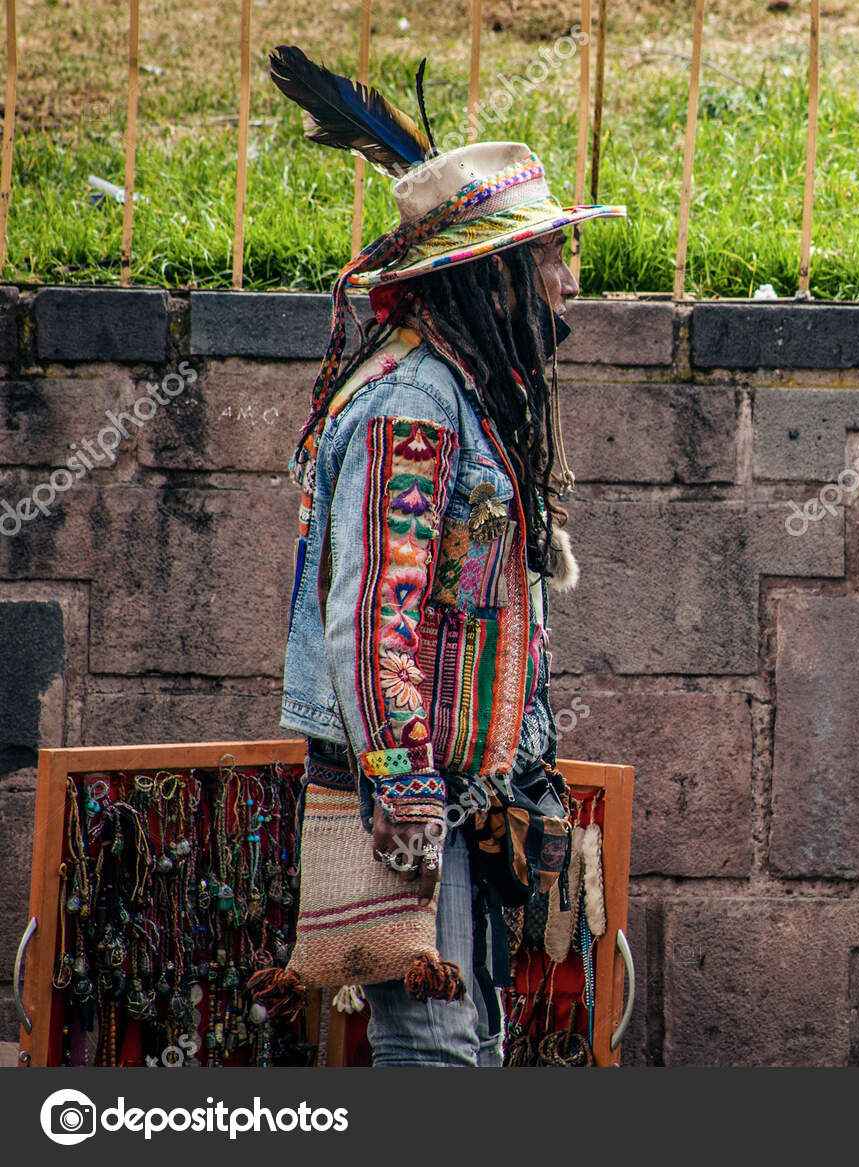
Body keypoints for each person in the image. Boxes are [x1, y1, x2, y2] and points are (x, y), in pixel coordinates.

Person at [271, 46, 626, 1066]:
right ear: (491, 274)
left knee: (461, 1045)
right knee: (434, 1053)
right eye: (550, 257)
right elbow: (377, 611)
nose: (568, 282)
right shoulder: (412, 405)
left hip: (454, 789)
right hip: (408, 790)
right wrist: (404, 786)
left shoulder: (454, 391)